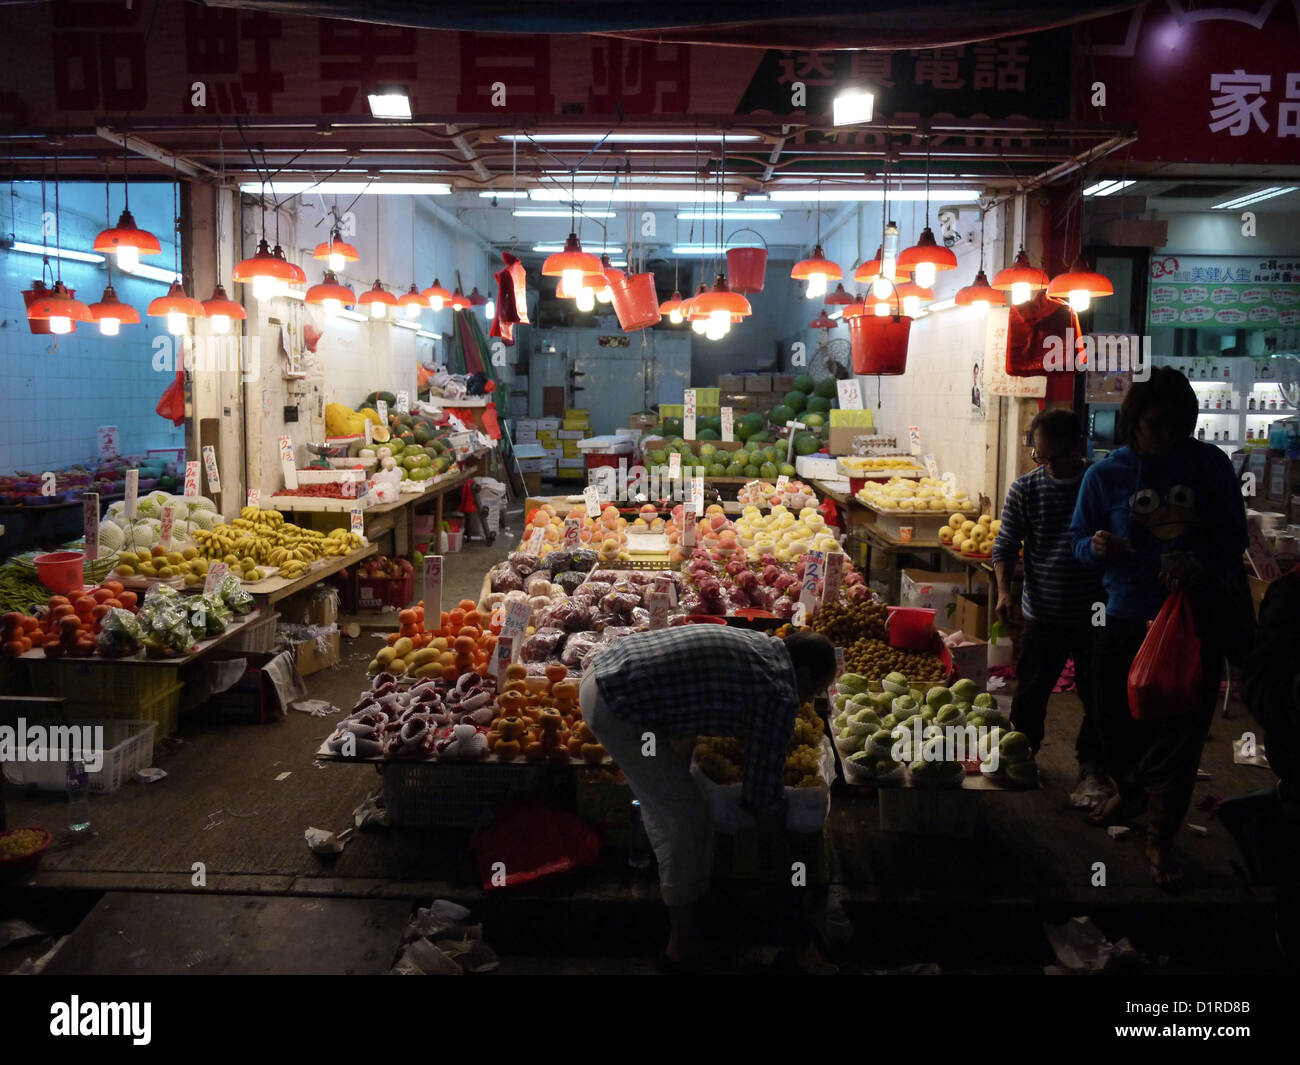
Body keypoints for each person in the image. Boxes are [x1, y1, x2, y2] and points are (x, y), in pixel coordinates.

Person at [1069, 366, 1248, 890]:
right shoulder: (1105, 474)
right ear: (1133, 422)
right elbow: (1079, 543)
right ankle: (1129, 789)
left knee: (1180, 728)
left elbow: (1232, 538)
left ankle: (1160, 835)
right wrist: (1097, 546)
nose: (1165, 437)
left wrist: (1196, 562)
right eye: (1154, 425)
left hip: (1191, 621)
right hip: (1123, 613)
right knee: (1112, 720)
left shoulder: (1209, 466)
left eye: (1175, 426)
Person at [581, 625, 837, 970]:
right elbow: (761, 795)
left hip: (605, 674)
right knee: (687, 821)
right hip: (620, 708)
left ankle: (685, 890)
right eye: (815, 691)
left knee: (674, 802)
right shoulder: (778, 692)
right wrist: (787, 863)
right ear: (803, 673)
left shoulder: (762, 647)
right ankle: (680, 947)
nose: (807, 702)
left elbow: (698, 703)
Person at [991, 409, 1106, 798]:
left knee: (1098, 694)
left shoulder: (1099, 483)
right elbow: (1005, 545)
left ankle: (1092, 768)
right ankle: (1021, 756)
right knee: (1030, 693)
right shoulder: (1026, 488)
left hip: (1095, 611)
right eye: (1041, 457)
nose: (1049, 466)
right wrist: (1005, 594)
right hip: (1042, 609)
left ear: (1079, 446)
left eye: (1058, 457)